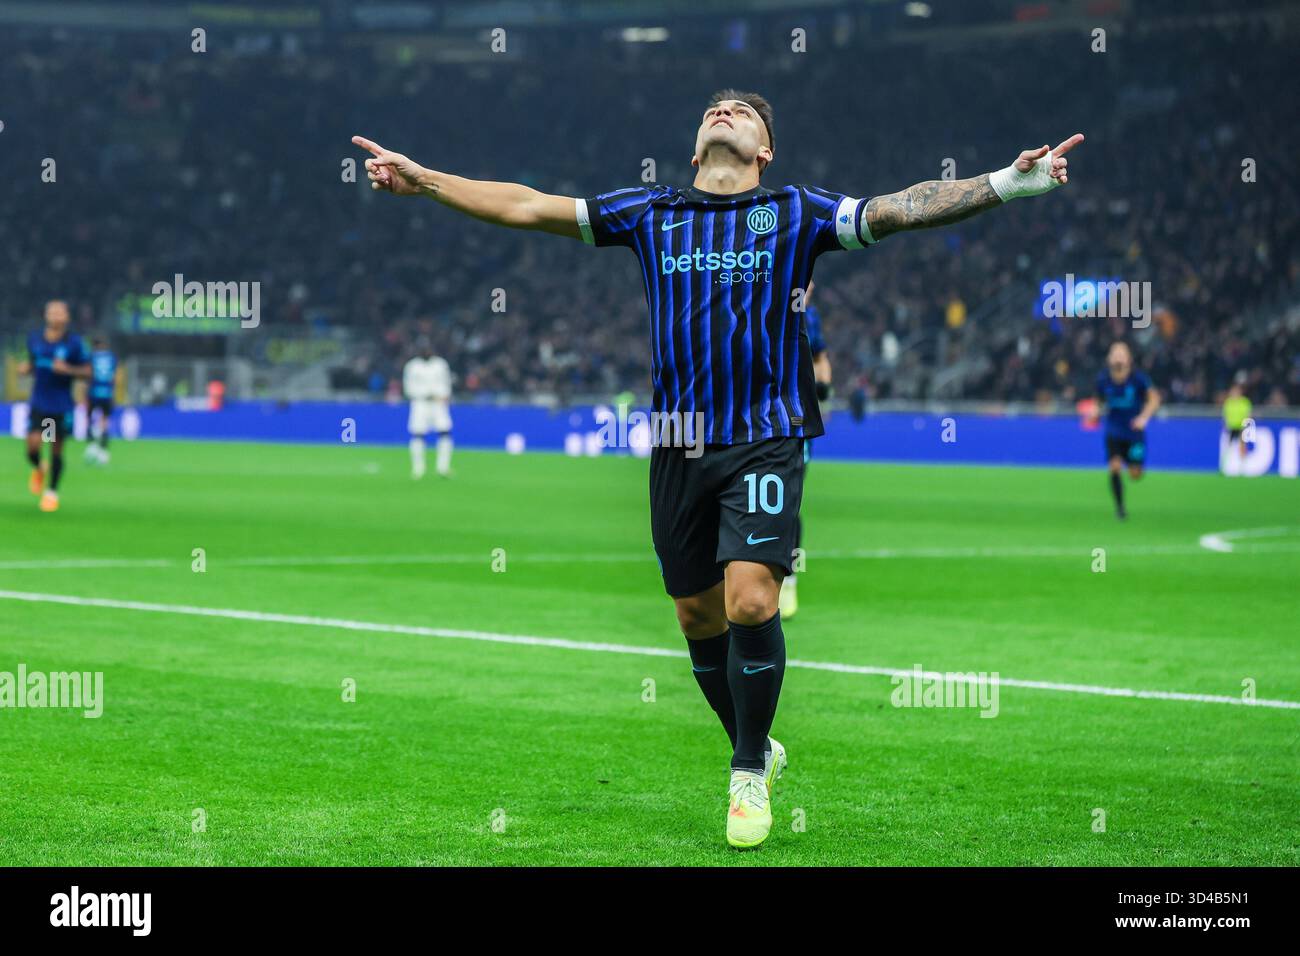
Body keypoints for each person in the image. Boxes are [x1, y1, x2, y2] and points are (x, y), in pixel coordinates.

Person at [353, 91, 1082, 848]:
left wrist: (1004, 181)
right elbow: (528, 206)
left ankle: (744, 775)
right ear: (696, 146)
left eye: (743, 111)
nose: (725, 111)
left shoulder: (798, 212)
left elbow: (900, 207)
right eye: (715, 109)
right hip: (676, 439)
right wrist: (427, 180)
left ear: (766, 150)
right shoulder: (648, 213)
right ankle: (758, 744)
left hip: (764, 434)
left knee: (750, 599)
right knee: (695, 615)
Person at [780, 281, 832, 620]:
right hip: (752, 420)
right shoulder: (759, 301)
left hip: (795, 423)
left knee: (787, 503)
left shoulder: (808, 318)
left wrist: (822, 384)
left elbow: (821, 361)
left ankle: (787, 581)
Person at [16, 300, 91, 512]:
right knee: (32, 447)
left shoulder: (74, 343)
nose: (56, 316)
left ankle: (51, 492)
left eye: (60, 313)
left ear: (66, 317)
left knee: (55, 448)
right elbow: (33, 364)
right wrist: (26, 369)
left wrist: (67, 369)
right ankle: (40, 466)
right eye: (52, 312)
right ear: (46, 315)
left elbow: (87, 372)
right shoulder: (35, 339)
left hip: (60, 405)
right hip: (40, 401)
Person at [1093, 342, 1160, 519]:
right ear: (1109, 358)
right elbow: (1100, 403)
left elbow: (1154, 399)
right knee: (1114, 467)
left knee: (1135, 474)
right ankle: (1120, 508)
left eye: (1122, 354)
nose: (1118, 357)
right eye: (1115, 353)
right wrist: (1096, 412)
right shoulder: (1102, 380)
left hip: (1134, 433)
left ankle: (1134, 466)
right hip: (1113, 431)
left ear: (1129, 359)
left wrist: (1144, 418)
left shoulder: (1139, 379)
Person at [403, 340, 453, 479]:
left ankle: (443, 467)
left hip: (438, 403)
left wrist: (444, 396)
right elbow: (408, 387)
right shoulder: (412, 366)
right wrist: (421, 394)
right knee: (418, 434)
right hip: (420, 403)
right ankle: (418, 468)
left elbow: (446, 383)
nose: (426, 351)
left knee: (444, 432)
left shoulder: (440, 364)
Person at [85, 335, 118, 465]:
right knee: (105, 421)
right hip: (107, 393)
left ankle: (92, 445)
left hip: (94, 392)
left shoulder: (92, 356)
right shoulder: (111, 357)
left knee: (89, 419)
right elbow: (114, 377)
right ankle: (104, 452)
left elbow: (88, 374)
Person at [1222, 380, 1252, 465]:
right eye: (1233, 391)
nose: (1234, 393)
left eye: (1236, 391)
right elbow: (1225, 416)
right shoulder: (1228, 402)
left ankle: (1243, 465)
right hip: (1231, 428)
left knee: (1242, 446)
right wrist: (1225, 425)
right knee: (1228, 446)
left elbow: (1248, 415)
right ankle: (1225, 465)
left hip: (1241, 428)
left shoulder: (1244, 402)